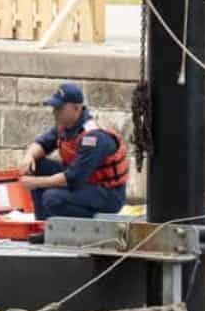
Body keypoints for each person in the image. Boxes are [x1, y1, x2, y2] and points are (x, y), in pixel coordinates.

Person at [18, 82, 129, 220]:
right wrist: (28, 157)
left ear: (76, 108)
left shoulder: (93, 137)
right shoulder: (65, 127)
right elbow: (42, 144)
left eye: (59, 108)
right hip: (85, 184)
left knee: (52, 198)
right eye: (54, 107)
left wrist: (34, 183)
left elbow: (73, 178)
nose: (54, 112)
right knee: (36, 165)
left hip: (107, 195)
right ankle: (43, 225)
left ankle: (92, 223)